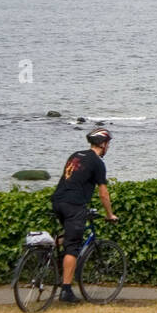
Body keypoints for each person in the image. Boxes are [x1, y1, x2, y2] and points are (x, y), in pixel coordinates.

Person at [51, 126, 117, 303]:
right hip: (74, 205)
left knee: (67, 236)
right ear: (102, 144)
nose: (108, 147)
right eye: (108, 144)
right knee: (73, 246)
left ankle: (48, 253)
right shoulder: (97, 163)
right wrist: (110, 214)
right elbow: (103, 193)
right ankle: (66, 291)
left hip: (58, 200)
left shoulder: (75, 155)